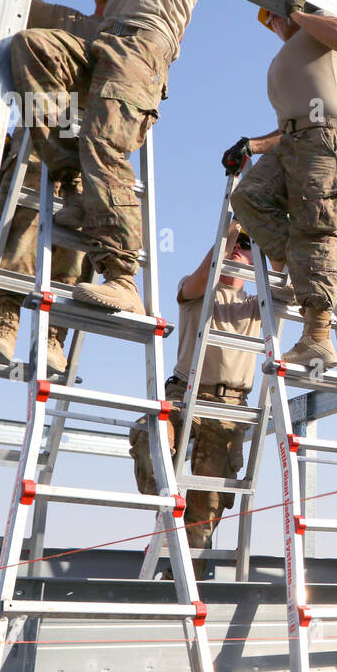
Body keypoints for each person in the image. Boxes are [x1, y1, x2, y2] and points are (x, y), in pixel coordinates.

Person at [10, 0, 214, 315]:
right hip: (106, 42)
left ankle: (122, 276)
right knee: (34, 48)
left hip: (140, 51)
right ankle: (69, 171)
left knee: (104, 143)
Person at [0, 0, 113, 374]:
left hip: (90, 150)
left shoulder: (132, 32)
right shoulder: (66, 22)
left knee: (77, 244)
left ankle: (53, 338)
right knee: (22, 227)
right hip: (40, 144)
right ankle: (5, 323)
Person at [222, 0, 337, 370]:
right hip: (293, 142)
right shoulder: (292, 51)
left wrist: (299, 14)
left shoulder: (320, 28)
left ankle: (317, 337)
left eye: (273, 16)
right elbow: (290, 125)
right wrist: (253, 145)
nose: (274, 26)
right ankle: (297, 261)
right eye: (270, 21)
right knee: (248, 198)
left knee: (315, 230)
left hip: (323, 141)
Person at [129, 225, 259, 574]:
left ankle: (186, 580)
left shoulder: (257, 305)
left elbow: (289, 281)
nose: (237, 250)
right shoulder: (198, 289)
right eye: (234, 244)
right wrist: (231, 231)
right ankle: (167, 516)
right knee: (150, 439)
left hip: (230, 407)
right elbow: (200, 278)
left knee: (205, 514)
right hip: (185, 393)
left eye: (246, 246)